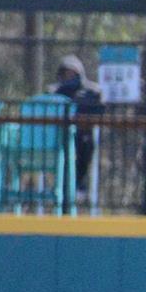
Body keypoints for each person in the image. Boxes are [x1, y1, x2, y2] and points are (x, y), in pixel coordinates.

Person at [49, 54, 103, 196]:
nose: (69, 76)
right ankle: (62, 184)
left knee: (85, 144)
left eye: (73, 73)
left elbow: (99, 111)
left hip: (81, 136)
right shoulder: (54, 92)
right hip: (58, 137)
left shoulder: (91, 91)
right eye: (66, 73)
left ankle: (78, 183)